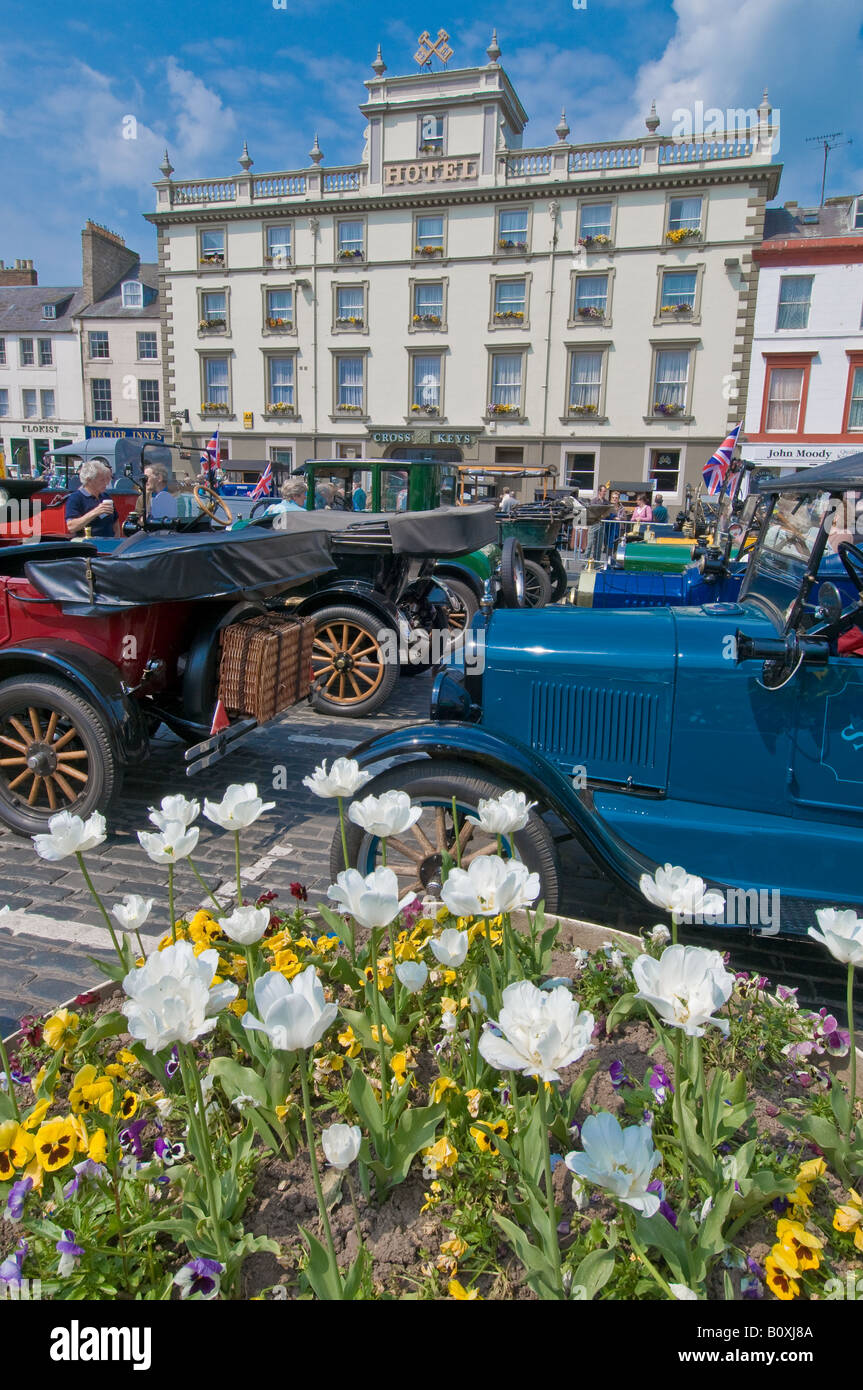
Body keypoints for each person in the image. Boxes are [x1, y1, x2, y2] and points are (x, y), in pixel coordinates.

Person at [65, 459, 119, 538]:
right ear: (89, 480)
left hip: (109, 545)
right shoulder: (76, 498)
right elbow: (71, 527)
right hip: (89, 546)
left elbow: (115, 522)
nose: (106, 483)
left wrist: (116, 540)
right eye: (102, 480)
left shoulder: (105, 497)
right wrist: (95, 512)